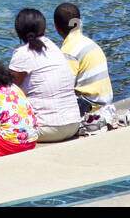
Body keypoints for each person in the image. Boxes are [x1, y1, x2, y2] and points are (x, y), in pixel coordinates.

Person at [9, 8, 81, 143]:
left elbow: (7, 90)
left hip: (46, 129)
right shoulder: (54, 48)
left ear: (19, 32)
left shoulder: (22, 53)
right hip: (73, 123)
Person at [54, 3, 114, 116]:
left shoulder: (68, 52)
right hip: (106, 104)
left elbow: (64, 88)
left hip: (90, 107)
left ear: (56, 26)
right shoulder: (91, 44)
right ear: (79, 22)